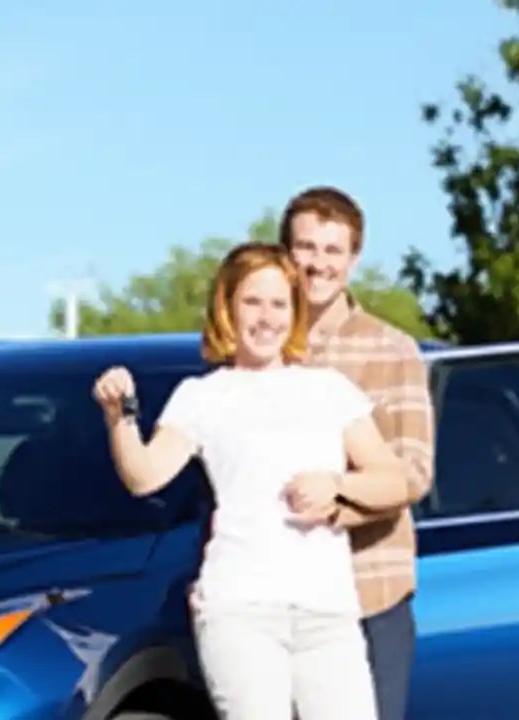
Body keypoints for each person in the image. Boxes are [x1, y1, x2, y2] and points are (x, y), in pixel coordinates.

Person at [92, 243, 410, 720]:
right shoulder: (203, 396)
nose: (267, 318)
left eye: (279, 303)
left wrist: (337, 485)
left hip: (329, 613)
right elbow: (144, 476)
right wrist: (120, 416)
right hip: (241, 612)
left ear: (295, 311)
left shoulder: (328, 389)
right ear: (228, 308)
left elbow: (393, 482)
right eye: (252, 302)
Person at [279, 186, 435, 720]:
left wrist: (333, 501)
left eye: (331, 251)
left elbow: (413, 473)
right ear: (286, 254)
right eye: (305, 248)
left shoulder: (392, 350)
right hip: (278, 602)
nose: (317, 264)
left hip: (370, 594)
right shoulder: (261, 349)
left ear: (353, 259)